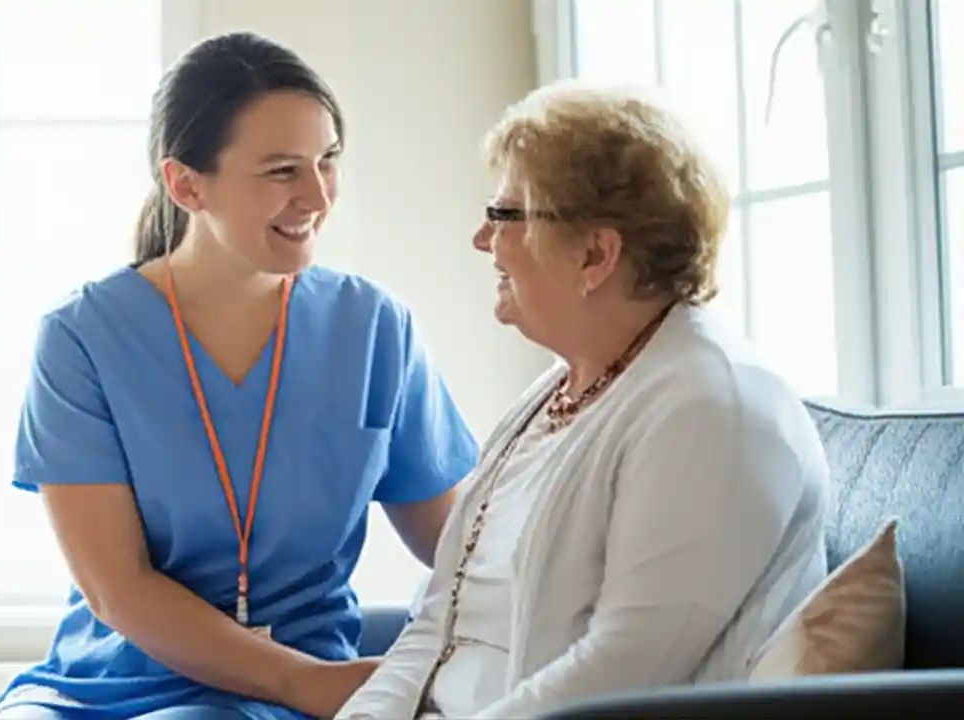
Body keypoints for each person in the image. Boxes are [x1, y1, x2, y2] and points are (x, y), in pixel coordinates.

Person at [0, 32, 478, 720]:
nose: (316, 196)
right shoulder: (82, 337)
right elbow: (117, 588)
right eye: (282, 171)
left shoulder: (372, 328)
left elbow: (455, 549)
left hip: (290, 689)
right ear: (187, 183)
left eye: (328, 161)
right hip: (103, 689)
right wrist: (303, 684)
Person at [336, 81, 830, 719]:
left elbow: (624, 669)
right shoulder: (557, 391)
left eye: (505, 214)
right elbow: (433, 628)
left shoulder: (711, 407)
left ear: (595, 254)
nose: (482, 240)